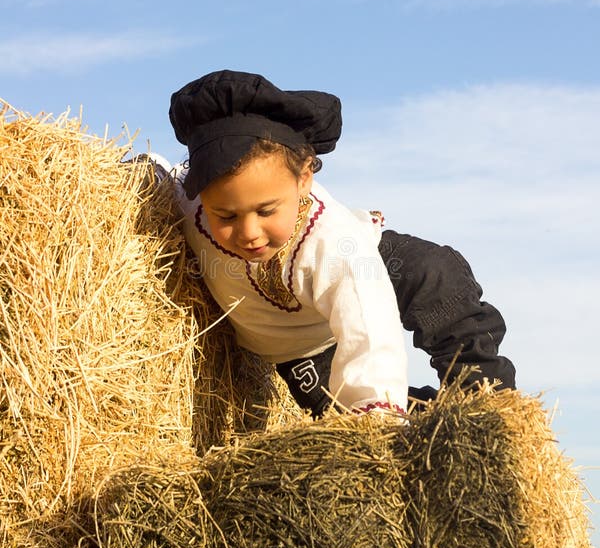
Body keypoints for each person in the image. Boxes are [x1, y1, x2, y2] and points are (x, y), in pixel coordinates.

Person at [157, 69, 515, 420]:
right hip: (302, 348)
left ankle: (484, 404)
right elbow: (158, 175)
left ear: (303, 180)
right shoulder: (191, 204)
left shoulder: (333, 241)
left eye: (266, 210)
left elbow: (369, 327)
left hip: (374, 271)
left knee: (434, 273)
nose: (248, 231)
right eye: (226, 216)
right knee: (340, 415)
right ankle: (425, 425)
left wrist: (377, 413)